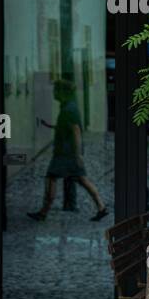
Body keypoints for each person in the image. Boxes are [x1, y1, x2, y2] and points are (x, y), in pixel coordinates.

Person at [27, 79, 108, 222]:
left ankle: (43, 212)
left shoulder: (68, 109)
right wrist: (51, 126)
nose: (53, 93)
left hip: (66, 155)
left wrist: (78, 155)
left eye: (55, 90)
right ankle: (101, 207)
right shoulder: (68, 107)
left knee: (51, 178)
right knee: (82, 180)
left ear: (62, 92)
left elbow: (76, 131)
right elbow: (67, 128)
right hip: (68, 154)